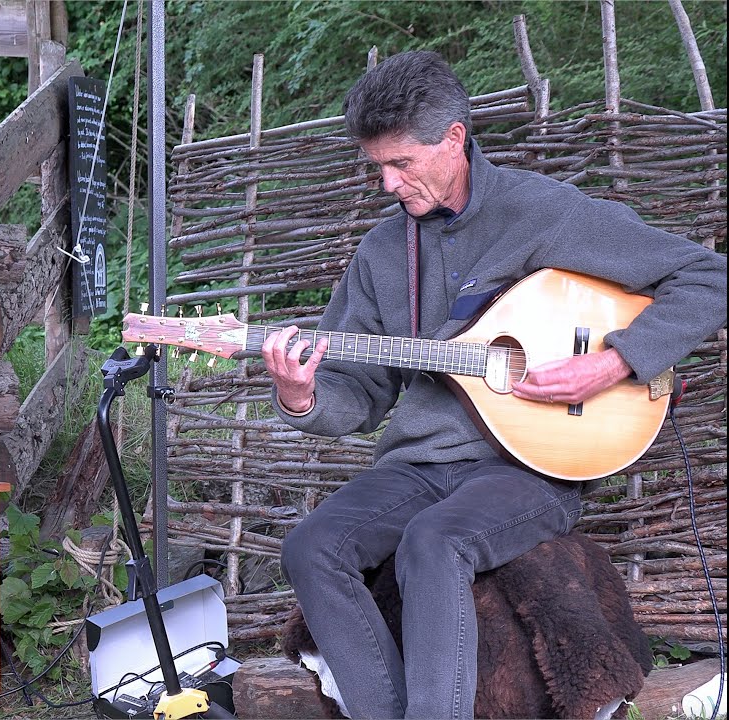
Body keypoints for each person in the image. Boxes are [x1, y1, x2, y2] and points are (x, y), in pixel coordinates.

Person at [262, 51, 726, 719]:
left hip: (532, 466)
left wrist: (616, 360)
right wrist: (301, 396)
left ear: (454, 140)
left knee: (434, 541)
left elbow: (709, 278)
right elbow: (359, 395)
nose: (388, 184)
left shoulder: (544, 214)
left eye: (402, 163)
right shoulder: (381, 255)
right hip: (418, 465)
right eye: (378, 167)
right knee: (312, 547)